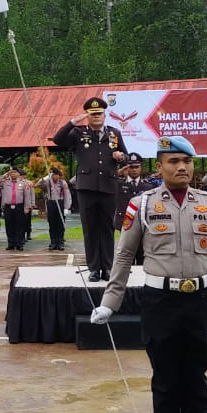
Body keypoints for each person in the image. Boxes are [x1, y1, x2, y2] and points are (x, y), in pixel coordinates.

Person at [90, 136, 207, 413]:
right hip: (161, 303)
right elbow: (124, 256)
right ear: (158, 167)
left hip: (202, 301)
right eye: (174, 161)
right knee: (165, 379)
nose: (182, 168)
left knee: (196, 377)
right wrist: (111, 301)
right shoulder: (142, 205)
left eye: (187, 161)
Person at [53, 96, 127, 282]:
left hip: (109, 186)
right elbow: (58, 140)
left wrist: (121, 156)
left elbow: (126, 156)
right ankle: (94, 268)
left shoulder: (114, 133)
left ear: (104, 115)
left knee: (107, 229)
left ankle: (108, 268)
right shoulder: (79, 133)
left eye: (99, 114)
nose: (96, 117)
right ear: (87, 116)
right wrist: (73, 122)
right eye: (92, 114)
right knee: (90, 229)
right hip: (87, 188)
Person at [0, 167, 33, 251]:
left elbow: (27, 196)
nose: (13, 173)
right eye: (12, 172)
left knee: (20, 226)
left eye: (15, 172)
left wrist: (27, 207)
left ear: (18, 174)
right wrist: (5, 175)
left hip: (19, 206)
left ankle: (19, 244)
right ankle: (11, 243)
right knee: (9, 226)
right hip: (8, 206)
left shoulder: (23, 183)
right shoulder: (5, 182)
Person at [39, 166, 72, 251]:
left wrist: (66, 207)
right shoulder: (48, 182)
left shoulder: (63, 183)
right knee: (52, 224)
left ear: (59, 175)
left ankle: (60, 242)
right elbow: (38, 185)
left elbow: (67, 195)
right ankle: (53, 242)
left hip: (60, 203)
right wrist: (46, 177)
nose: (55, 177)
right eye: (53, 175)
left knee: (60, 224)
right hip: (51, 203)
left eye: (57, 175)